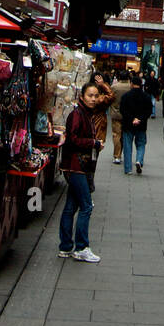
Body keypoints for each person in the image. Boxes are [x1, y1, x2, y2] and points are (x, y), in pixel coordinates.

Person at [58, 82, 103, 262]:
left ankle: (65, 247)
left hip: (77, 165)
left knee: (71, 207)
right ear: (82, 96)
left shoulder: (86, 113)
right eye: (90, 95)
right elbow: (73, 139)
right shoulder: (77, 114)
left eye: (95, 96)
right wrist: (94, 143)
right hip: (76, 166)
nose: (93, 99)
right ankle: (81, 247)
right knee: (86, 206)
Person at [120, 76, 155, 175]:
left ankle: (128, 169)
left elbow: (122, 110)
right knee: (141, 144)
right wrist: (140, 119)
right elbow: (149, 111)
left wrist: (132, 119)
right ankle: (139, 160)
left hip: (128, 124)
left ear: (131, 84)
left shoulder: (126, 96)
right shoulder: (146, 97)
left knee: (127, 146)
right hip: (141, 125)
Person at [89, 70, 115, 151]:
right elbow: (111, 97)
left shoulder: (86, 94)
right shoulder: (97, 98)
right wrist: (103, 85)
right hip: (97, 127)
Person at [109, 72, 130, 164]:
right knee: (126, 135)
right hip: (128, 115)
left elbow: (109, 99)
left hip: (116, 113)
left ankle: (117, 155)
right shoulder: (131, 87)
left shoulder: (114, 87)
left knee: (116, 135)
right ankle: (125, 154)